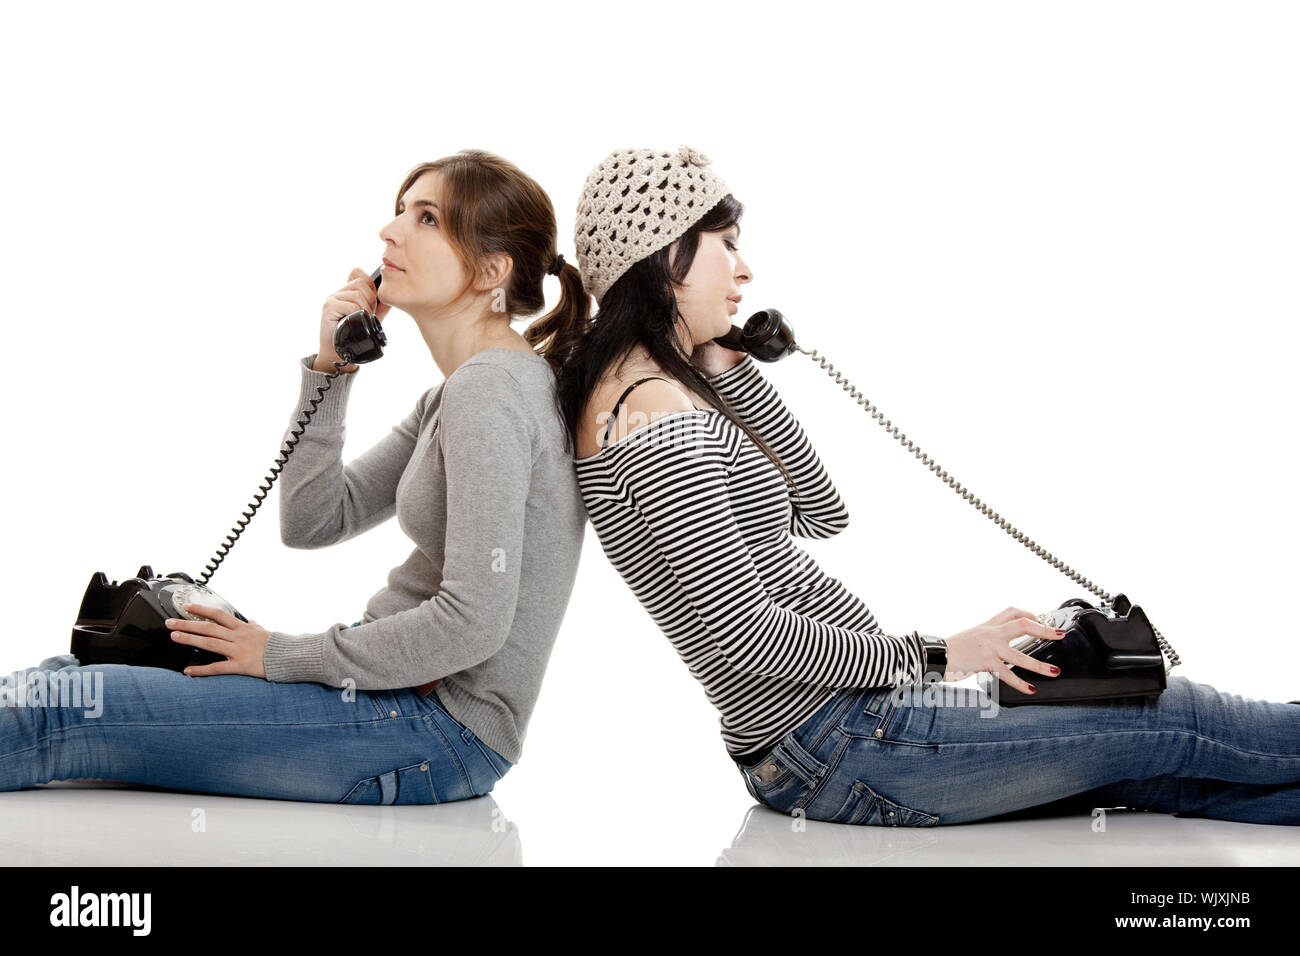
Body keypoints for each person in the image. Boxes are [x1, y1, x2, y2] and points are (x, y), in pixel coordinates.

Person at [545, 144, 1300, 826]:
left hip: (851, 727)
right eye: (727, 246)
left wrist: (733, 367)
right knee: (1172, 716)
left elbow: (820, 509)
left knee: (1170, 768)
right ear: (663, 253)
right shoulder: (653, 418)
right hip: (842, 739)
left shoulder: (655, 395)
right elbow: (749, 638)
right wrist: (945, 652)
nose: (745, 271)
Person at [0, 149, 589, 806]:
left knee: (60, 712)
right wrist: (333, 370)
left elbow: (474, 622)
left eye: (425, 219)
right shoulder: (460, 394)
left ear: (490, 270)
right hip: (396, 705)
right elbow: (314, 519)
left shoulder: (492, 393)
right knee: (66, 679)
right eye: (399, 212)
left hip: (432, 731)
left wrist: (277, 654)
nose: (388, 233)